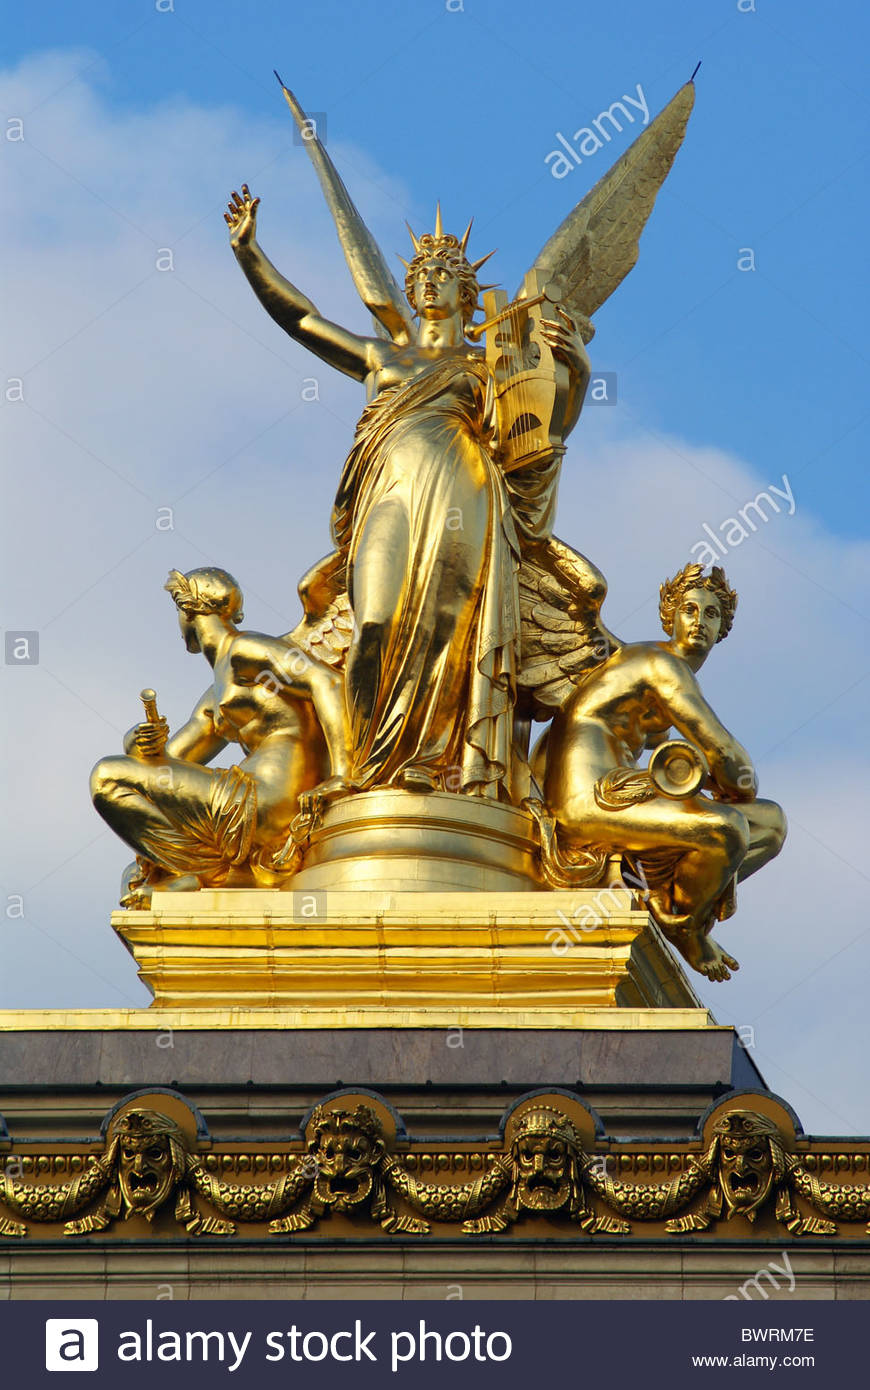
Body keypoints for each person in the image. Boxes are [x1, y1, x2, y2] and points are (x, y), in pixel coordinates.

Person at [226, 188, 589, 798]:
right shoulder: (382, 357)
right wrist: (249, 253)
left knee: (452, 629)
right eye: (421, 273)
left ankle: (435, 764)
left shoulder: (485, 367)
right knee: (374, 621)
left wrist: (573, 371)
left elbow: (539, 439)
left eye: (444, 274)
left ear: (467, 297)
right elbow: (303, 320)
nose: (429, 282)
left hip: (462, 497)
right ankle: (368, 769)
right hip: (388, 498)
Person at [535, 563, 786, 981]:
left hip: (621, 789)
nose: (699, 622)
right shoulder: (659, 665)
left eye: (711, 614)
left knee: (770, 824)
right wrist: (724, 780)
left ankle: (665, 893)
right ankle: (683, 925)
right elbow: (732, 763)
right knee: (727, 831)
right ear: (670, 616)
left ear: (723, 628)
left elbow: (701, 763)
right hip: (586, 798)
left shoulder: (646, 679)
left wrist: (710, 776)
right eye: (690, 609)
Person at [90, 567, 349, 904]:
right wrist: (137, 741)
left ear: (187, 611)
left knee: (107, 777)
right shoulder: (214, 698)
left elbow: (327, 682)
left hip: (269, 798)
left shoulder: (246, 650)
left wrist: (342, 775)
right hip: (248, 797)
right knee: (133, 872)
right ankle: (199, 872)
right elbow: (166, 764)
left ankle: (193, 873)